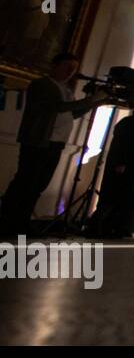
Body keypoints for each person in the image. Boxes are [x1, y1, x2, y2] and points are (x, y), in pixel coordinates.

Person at [0, 52, 107, 237]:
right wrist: (92, 99)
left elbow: (70, 114)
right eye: (67, 67)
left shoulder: (65, 89)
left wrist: (95, 103)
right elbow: (59, 107)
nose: (71, 72)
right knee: (26, 182)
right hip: (39, 141)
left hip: (55, 143)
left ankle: (22, 222)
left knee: (39, 185)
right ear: (55, 65)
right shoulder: (43, 85)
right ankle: (8, 221)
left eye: (73, 69)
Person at [87, 97, 134, 238]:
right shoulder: (127, 123)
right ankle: (100, 227)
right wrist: (120, 163)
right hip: (125, 164)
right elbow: (121, 144)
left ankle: (118, 227)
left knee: (127, 195)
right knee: (114, 194)